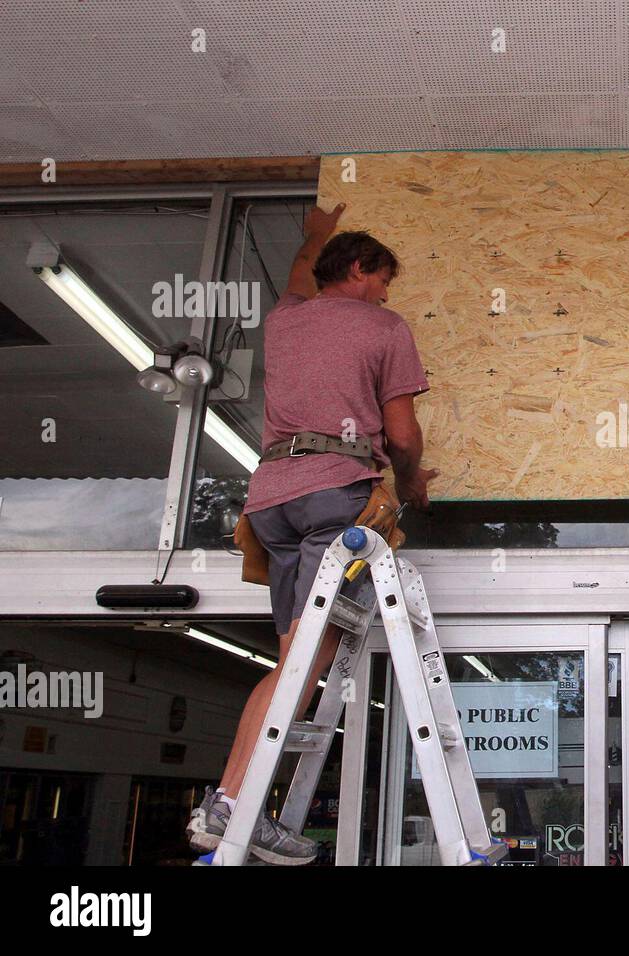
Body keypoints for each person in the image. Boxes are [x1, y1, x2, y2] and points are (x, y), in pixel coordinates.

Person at [187, 203, 437, 863]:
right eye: (384, 277)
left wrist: (315, 232)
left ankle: (233, 802)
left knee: (296, 662)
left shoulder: (287, 316)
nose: (388, 292)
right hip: (332, 493)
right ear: (359, 269)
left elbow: (300, 272)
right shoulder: (385, 327)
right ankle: (231, 805)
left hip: (271, 500)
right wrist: (408, 481)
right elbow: (404, 433)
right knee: (304, 663)